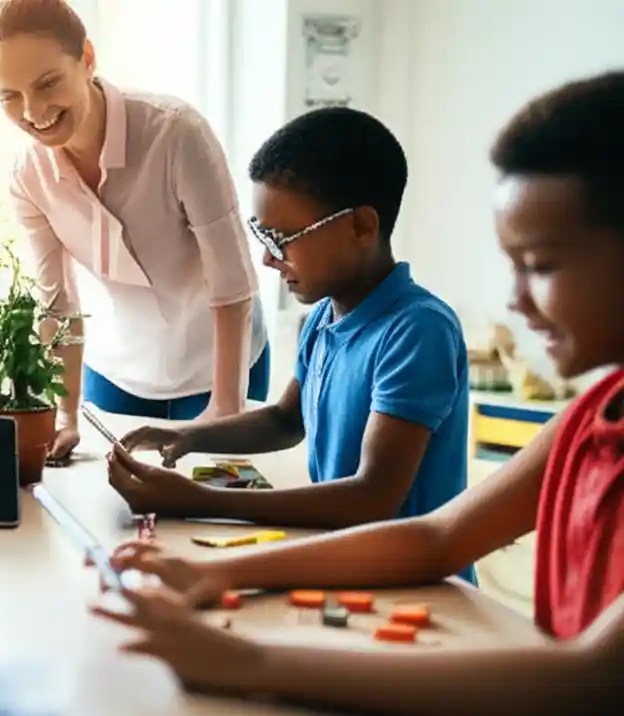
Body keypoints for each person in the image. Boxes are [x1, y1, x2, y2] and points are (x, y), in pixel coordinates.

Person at [95, 72, 624, 716]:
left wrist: (249, 661)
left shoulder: (418, 326)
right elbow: (434, 538)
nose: (514, 301)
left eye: (539, 266)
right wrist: (220, 572)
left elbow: (592, 680)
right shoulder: (589, 417)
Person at [114, 107, 471, 541]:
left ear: (360, 226)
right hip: (347, 560)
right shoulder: (323, 317)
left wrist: (198, 499)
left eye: (282, 239)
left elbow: (372, 498)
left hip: (419, 585)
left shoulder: (417, 332)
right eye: (263, 236)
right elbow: (285, 421)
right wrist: (184, 435)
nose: (268, 257)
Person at [0, 0, 269, 460]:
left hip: (218, 361)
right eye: (9, 96)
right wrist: (65, 415)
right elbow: (58, 303)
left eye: (48, 83)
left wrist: (227, 404)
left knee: (212, 511)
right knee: (112, 507)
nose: (32, 111)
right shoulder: (28, 175)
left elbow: (232, 280)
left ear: (88, 59)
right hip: (118, 371)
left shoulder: (176, 134)